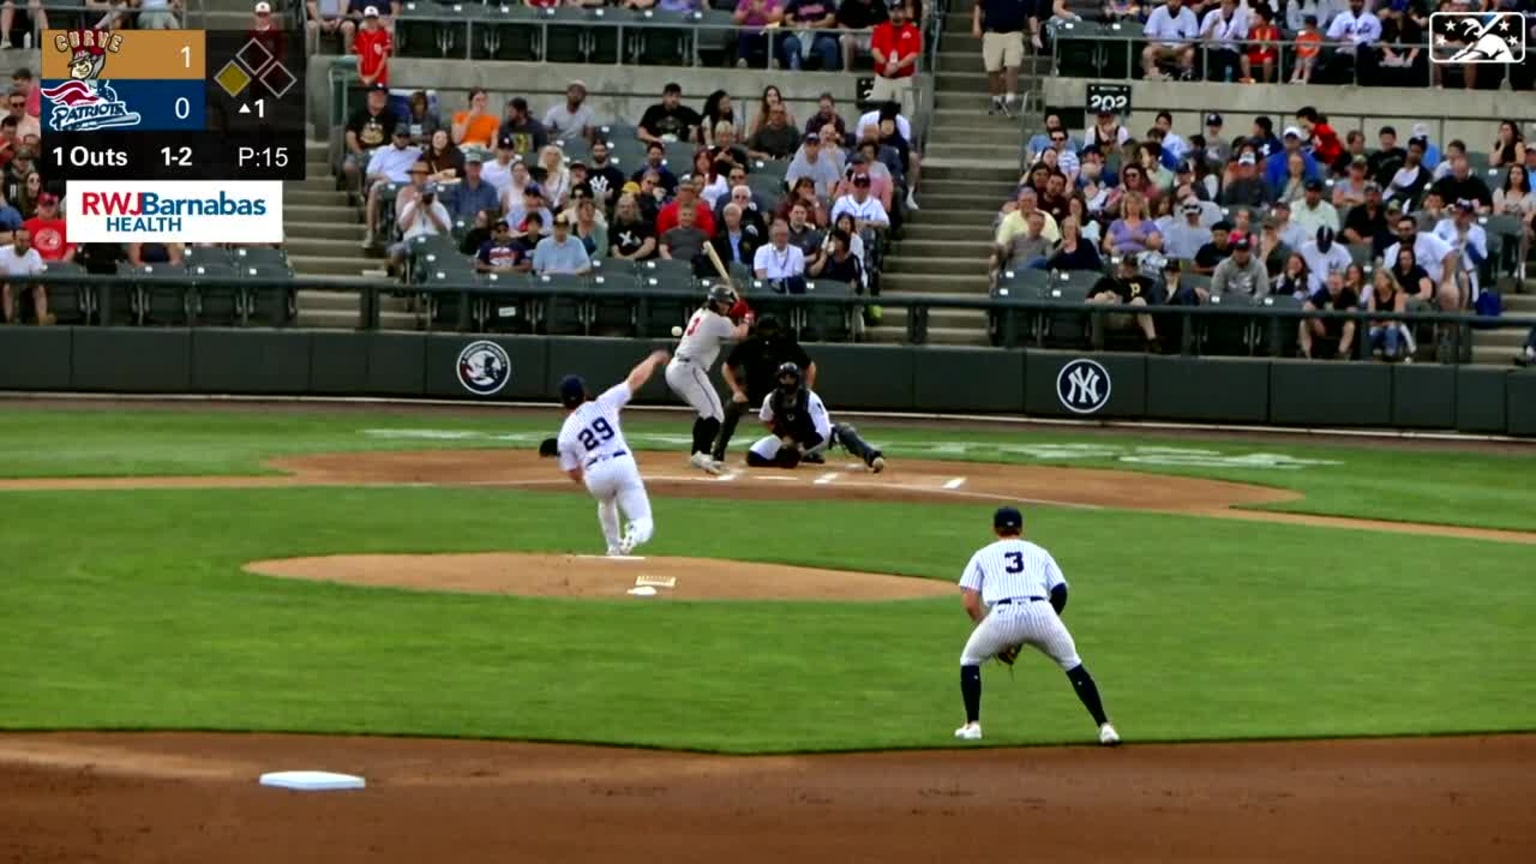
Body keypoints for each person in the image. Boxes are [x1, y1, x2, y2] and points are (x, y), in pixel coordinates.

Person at [952, 505, 1120, 746]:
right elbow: (1060, 592)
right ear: (1021, 528)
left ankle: (973, 726)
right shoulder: (1039, 553)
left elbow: (970, 602)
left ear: (995, 529)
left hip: (1003, 614)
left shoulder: (982, 555)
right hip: (1042, 611)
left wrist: (988, 629)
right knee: (1073, 665)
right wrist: (1048, 622)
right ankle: (1105, 727)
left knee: (970, 661)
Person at [551, 349, 671, 557]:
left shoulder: (565, 434)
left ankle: (614, 547)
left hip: (595, 475)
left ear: (563, 401)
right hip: (622, 464)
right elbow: (634, 380)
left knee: (605, 500)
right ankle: (634, 532)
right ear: (584, 392)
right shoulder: (604, 403)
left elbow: (575, 476)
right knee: (644, 521)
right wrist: (653, 359)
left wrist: (585, 470)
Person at [666, 283, 754, 474]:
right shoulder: (716, 320)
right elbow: (740, 334)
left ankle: (699, 454)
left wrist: (738, 313)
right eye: (726, 303)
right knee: (715, 413)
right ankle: (702, 454)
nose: (728, 307)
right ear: (718, 303)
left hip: (679, 368)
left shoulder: (702, 313)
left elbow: (726, 322)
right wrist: (746, 317)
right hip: (689, 369)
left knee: (708, 411)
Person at [748, 361, 885, 472]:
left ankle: (871, 456)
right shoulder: (771, 399)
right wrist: (783, 437)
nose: (788, 381)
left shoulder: (810, 399)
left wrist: (802, 448)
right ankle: (801, 458)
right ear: (779, 379)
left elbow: (824, 431)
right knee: (754, 456)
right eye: (784, 378)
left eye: (791, 377)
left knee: (845, 431)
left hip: (814, 440)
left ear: (797, 379)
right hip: (789, 439)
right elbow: (765, 420)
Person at [713, 314, 813, 463]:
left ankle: (805, 450)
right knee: (731, 408)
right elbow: (727, 367)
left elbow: (810, 366)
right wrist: (737, 391)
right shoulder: (749, 344)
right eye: (765, 330)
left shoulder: (785, 343)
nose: (768, 333)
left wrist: (807, 391)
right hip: (752, 389)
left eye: (771, 330)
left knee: (801, 412)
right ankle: (718, 449)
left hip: (780, 393)